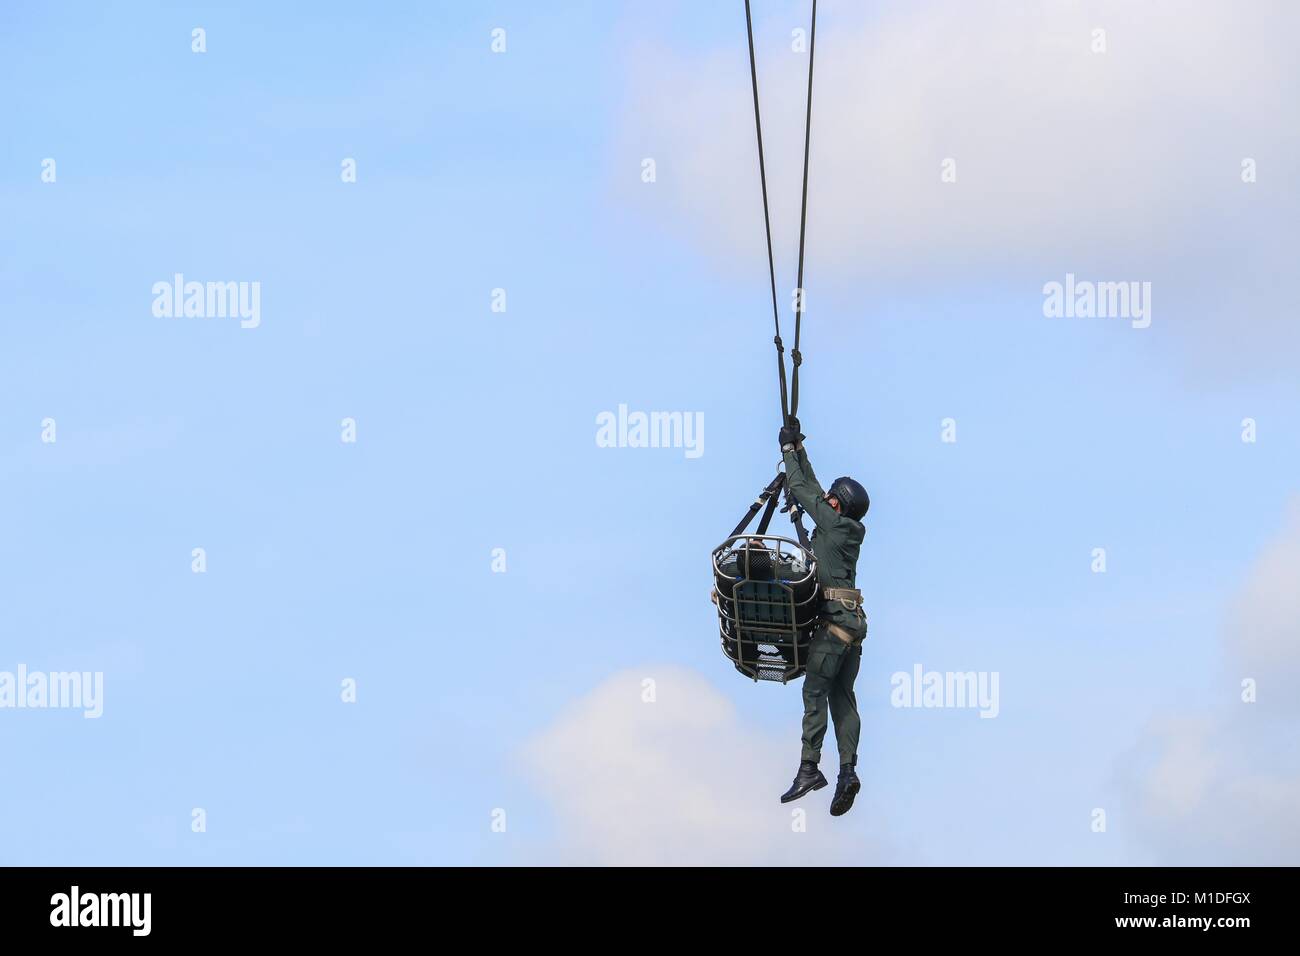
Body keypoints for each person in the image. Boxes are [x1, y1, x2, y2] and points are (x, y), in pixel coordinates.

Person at [776, 417, 870, 816]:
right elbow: (812, 491)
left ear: (838, 504)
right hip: (853, 628)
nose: (827, 501)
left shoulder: (832, 524)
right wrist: (799, 448)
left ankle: (809, 767)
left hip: (833, 629)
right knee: (841, 698)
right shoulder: (844, 528)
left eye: (833, 498)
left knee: (814, 690)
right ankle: (848, 771)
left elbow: (802, 489)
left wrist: (786, 453)